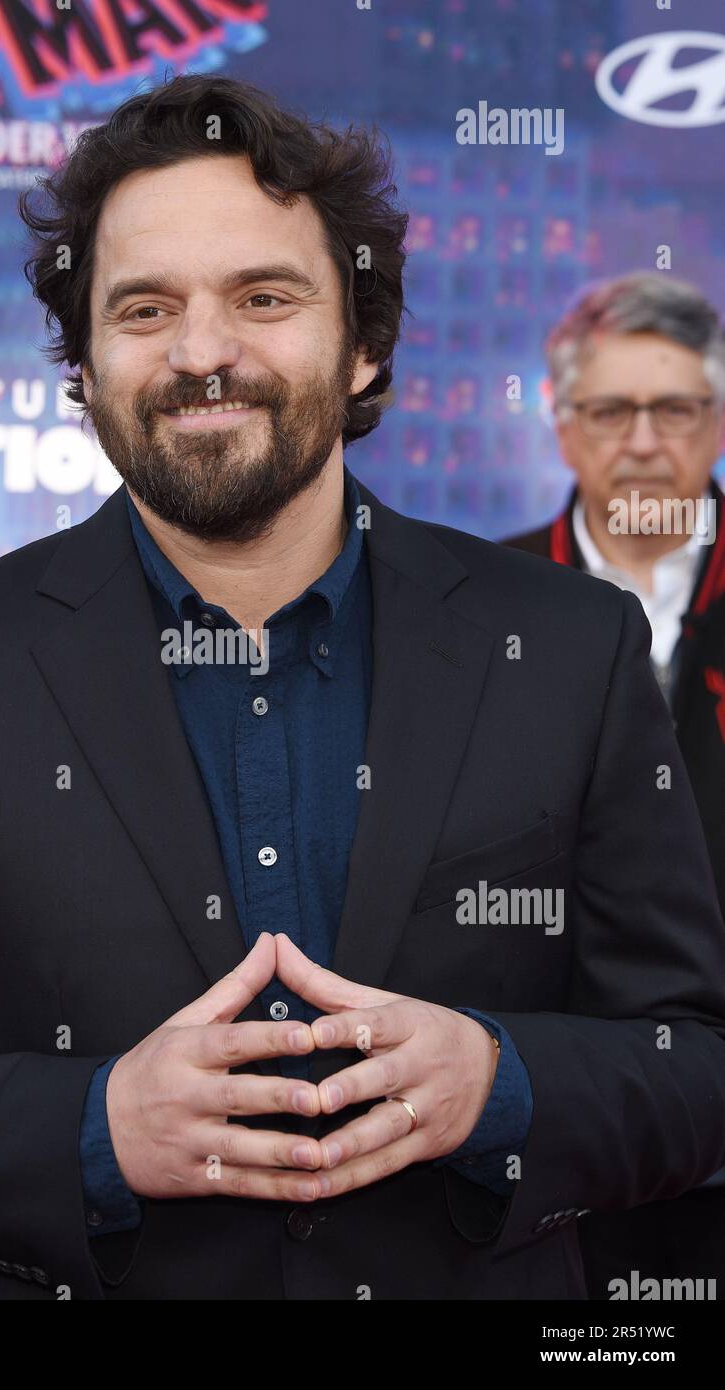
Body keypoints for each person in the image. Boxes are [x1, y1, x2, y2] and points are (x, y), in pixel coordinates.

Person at [0, 77, 725, 1300]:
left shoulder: (571, 645)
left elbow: (696, 1062)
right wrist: (96, 1125)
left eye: (264, 297)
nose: (203, 354)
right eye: (145, 308)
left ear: (363, 340)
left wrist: (499, 1082)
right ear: (86, 363)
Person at [505, 271, 725, 1298]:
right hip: (548, 1147)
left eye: (675, 407)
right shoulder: (475, 612)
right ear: (561, 426)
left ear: (716, 422)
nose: (643, 438)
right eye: (610, 409)